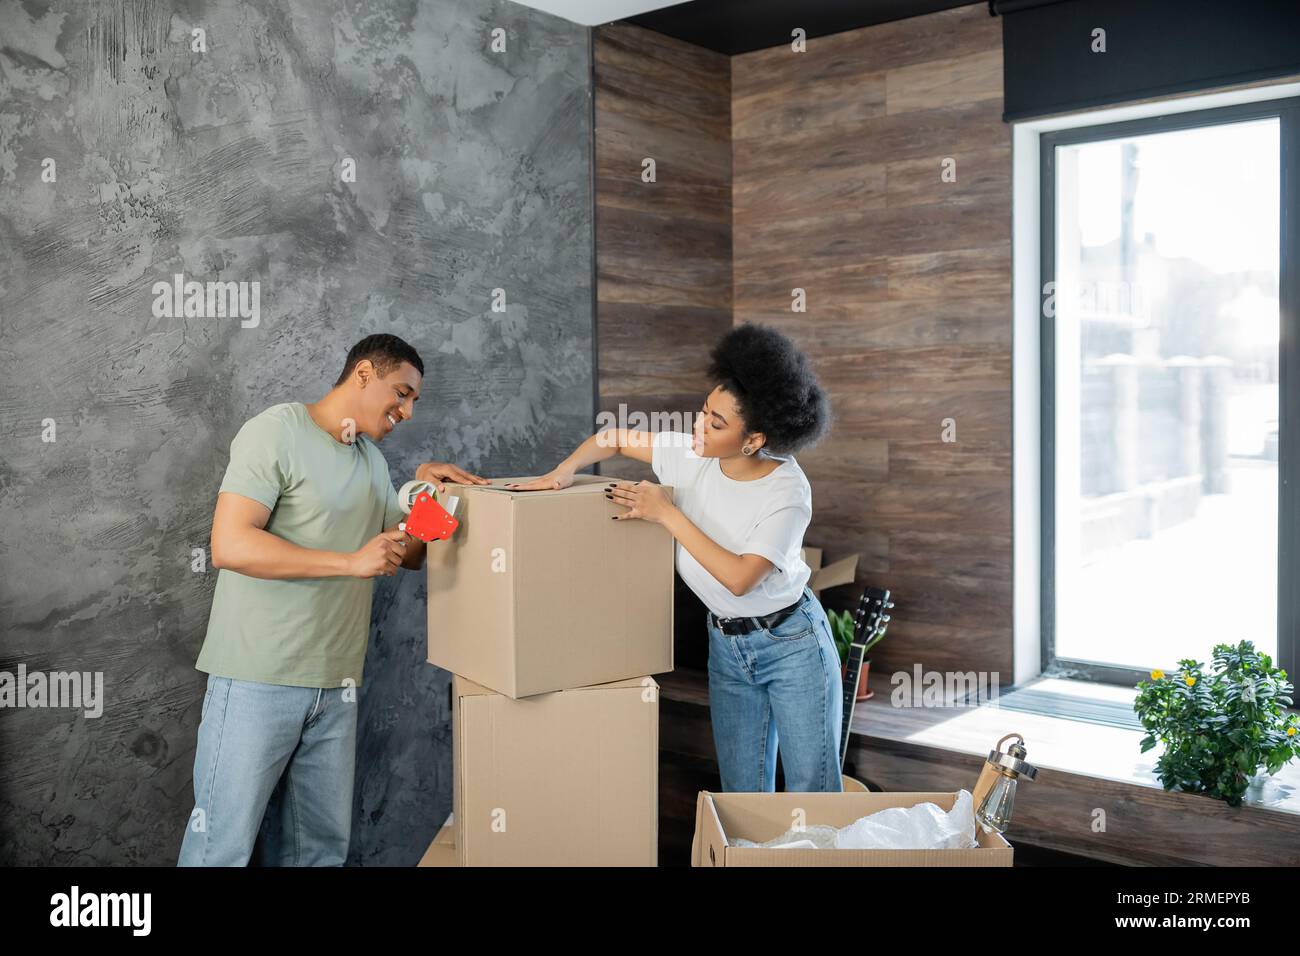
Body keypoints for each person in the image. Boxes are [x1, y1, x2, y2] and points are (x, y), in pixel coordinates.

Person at [178, 333, 488, 866]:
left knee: (318, 853)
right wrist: (349, 562)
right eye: (403, 393)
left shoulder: (370, 462)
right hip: (258, 678)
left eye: (414, 401)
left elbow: (407, 555)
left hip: (336, 687)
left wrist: (423, 492)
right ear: (364, 373)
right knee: (220, 850)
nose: (408, 411)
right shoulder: (275, 432)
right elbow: (230, 544)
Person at [507, 323, 839, 792]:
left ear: (755, 440)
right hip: (727, 644)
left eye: (716, 423)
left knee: (814, 790)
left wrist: (666, 513)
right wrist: (562, 472)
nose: (699, 426)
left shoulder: (787, 490)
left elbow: (739, 578)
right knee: (743, 791)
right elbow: (616, 438)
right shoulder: (691, 453)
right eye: (704, 411)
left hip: (792, 644)